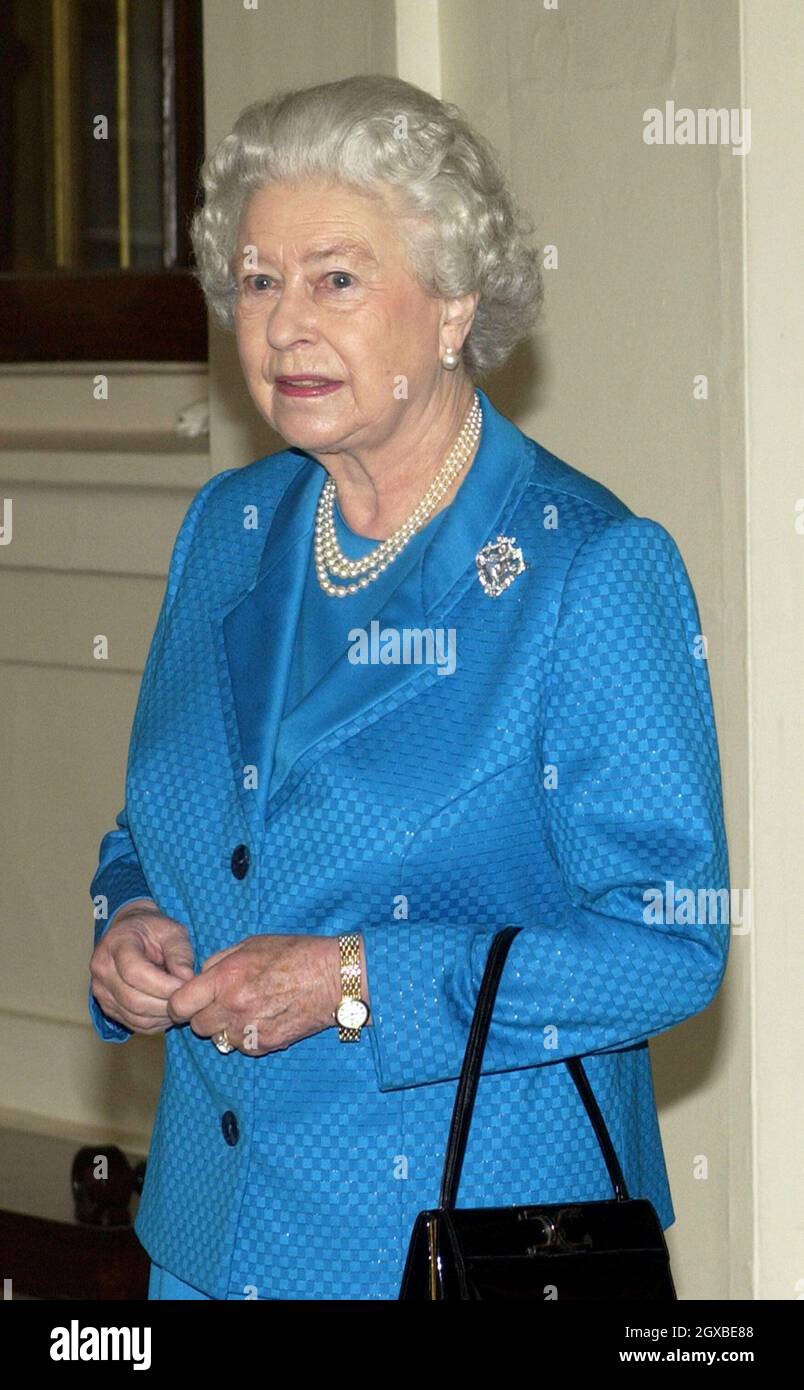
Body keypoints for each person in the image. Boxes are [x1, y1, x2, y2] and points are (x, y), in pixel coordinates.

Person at [88, 74, 730, 1301]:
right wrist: (126, 923)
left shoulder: (586, 569)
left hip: (449, 1251)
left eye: (336, 278)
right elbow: (167, 827)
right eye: (258, 281)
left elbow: (671, 944)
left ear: (453, 305)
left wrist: (353, 979)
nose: (282, 327)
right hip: (206, 1246)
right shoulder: (229, 529)